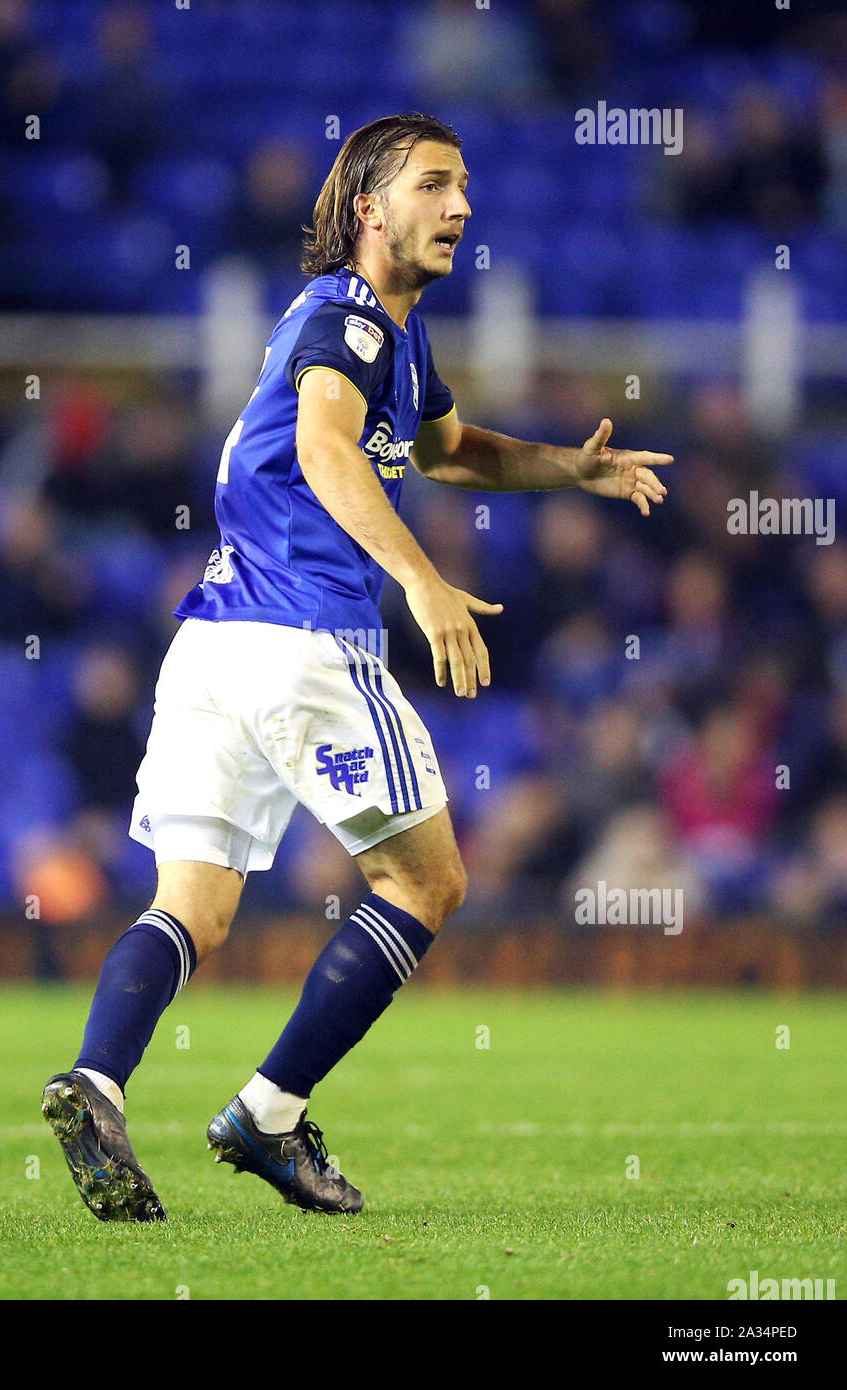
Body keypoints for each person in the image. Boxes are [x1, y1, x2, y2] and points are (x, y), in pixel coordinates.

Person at [42, 112, 673, 1220]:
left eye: (466, 186)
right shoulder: (352, 323)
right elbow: (332, 446)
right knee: (427, 882)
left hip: (211, 647)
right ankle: (269, 1114)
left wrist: (566, 468)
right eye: (435, 185)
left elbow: (447, 448)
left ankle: (94, 1082)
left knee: (191, 909)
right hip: (305, 638)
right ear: (371, 210)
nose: (461, 206)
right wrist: (425, 582)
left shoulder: (388, 336)